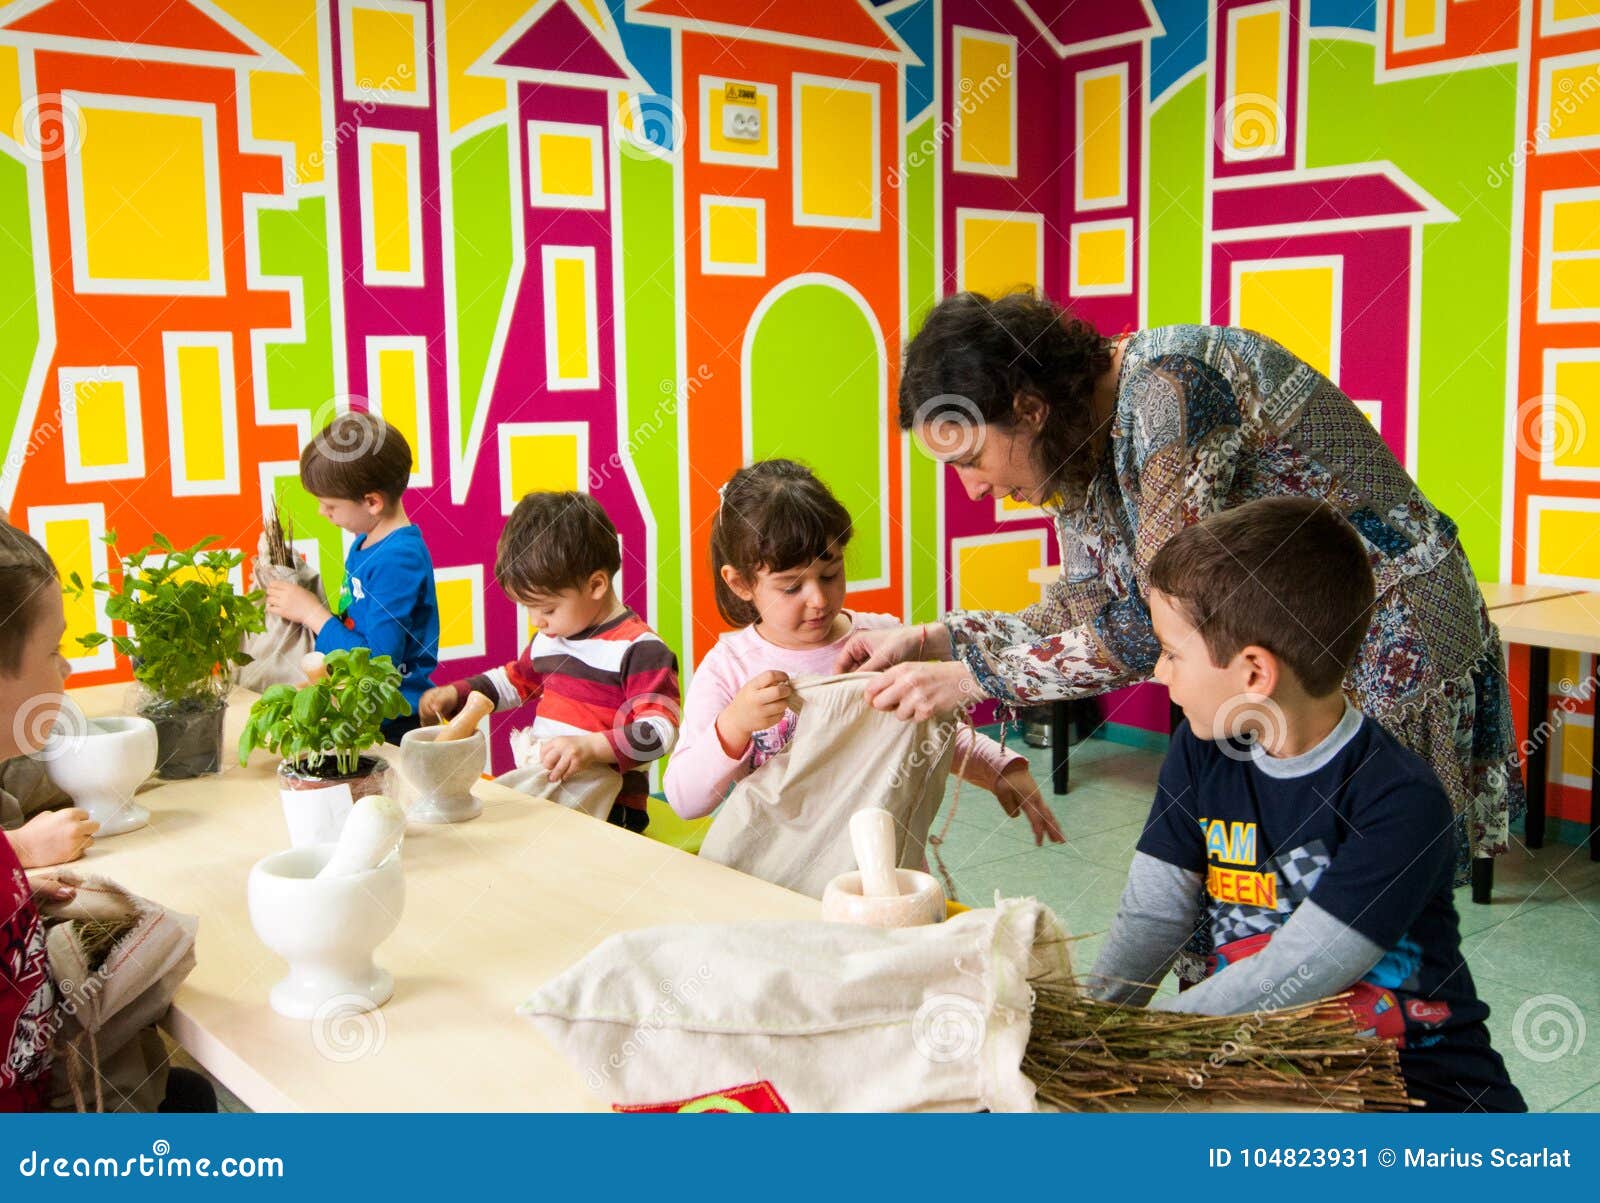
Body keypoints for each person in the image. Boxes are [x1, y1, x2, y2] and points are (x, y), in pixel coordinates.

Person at [838, 291, 1521, 887]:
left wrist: (974, 678)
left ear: (1029, 406)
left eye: (971, 460)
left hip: (1383, 625)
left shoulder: (1172, 394)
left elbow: (1160, 623)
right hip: (1290, 646)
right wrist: (938, 638)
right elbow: (1082, 605)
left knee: (1355, 900)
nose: (976, 489)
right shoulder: (1077, 454)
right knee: (1285, 897)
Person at [1087, 497, 1524, 1112]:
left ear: (1254, 674)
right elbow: (1154, 917)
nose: (1160, 673)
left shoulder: (1402, 801)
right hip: (1263, 1066)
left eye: (1172, 653)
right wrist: (1083, 1038)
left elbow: (1299, 971)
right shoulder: (1200, 751)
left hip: (1419, 1087)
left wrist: (1143, 1039)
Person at [666, 459, 1063, 845]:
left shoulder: (883, 639)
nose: (819, 599)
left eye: (830, 573)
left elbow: (927, 730)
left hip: (880, 866)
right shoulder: (728, 669)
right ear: (739, 583)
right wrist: (734, 725)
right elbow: (685, 800)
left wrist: (998, 766)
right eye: (791, 587)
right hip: (777, 869)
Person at [420, 493, 678, 834]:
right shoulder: (552, 639)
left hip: (609, 806)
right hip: (550, 784)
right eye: (528, 608)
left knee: (501, 824)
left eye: (547, 609)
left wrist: (590, 747)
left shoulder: (639, 650)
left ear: (596, 585)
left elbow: (660, 734)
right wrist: (456, 695)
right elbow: (514, 681)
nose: (536, 621)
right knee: (487, 815)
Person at [266, 412, 438, 742]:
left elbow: (376, 662)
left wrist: (312, 613)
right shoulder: (365, 541)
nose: (322, 513)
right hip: (362, 709)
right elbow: (356, 624)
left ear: (372, 501)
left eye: (329, 506)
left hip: (392, 722)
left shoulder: (398, 559)